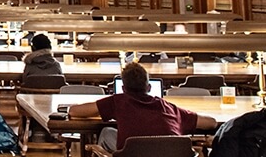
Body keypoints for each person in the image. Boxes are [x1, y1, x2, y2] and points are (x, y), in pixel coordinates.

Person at [68, 62, 216, 152]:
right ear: (149, 87)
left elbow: (75, 111)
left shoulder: (118, 101)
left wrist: (68, 108)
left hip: (133, 152)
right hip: (169, 153)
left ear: (124, 89)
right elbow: (211, 122)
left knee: (106, 132)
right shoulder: (169, 108)